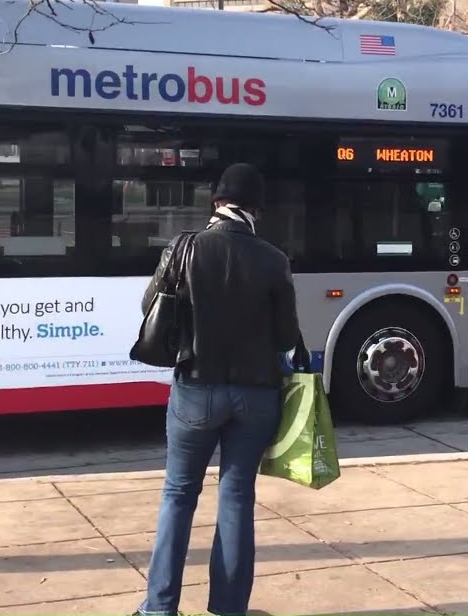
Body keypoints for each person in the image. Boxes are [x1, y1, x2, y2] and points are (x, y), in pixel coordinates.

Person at [136, 163, 301, 616]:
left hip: (196, 389)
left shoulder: (184, 248)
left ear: (216, 203)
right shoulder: (273, 259)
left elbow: (151, 305)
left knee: (178, 495)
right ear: (256, 209)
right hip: (256, 397)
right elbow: (287, 337)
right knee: (236, 496)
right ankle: (229, 609)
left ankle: (159, 608)